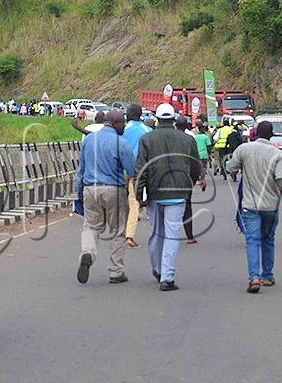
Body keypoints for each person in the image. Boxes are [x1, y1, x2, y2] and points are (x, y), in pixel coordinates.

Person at [135, 104, 203, 291]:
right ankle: (167, 277)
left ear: (156, 119)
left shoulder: (146, 139)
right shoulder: (186, 139)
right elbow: (196, 166)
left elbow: (141, 168)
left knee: (157, 233)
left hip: (154, 193)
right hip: (178, 192)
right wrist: (190, 183)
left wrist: (139, 195)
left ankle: (157, 269)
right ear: (173, 119)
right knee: (172, 235)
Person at [226, 120, 282, 294]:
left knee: (252, 240)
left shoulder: (244, 150)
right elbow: (280, 180)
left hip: (250, 205)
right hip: (271, 206)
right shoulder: (277, 154)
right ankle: (268, 275)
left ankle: (254, 277)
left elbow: (229, 167)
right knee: (268, 239)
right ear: (271, 135)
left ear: (256, 133)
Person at [74, 110, 136, 284]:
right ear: (115, 123)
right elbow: (131, 170)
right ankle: (116, 271)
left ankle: (88, 253)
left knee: (90, 227)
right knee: (118, 230)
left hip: (90, 188)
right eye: (123, 123)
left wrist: (79, 193)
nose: (124, 126)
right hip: (113, 190)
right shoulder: (121, 143)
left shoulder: (89, 140)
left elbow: (81, 170)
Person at [120, 105, 151, 250]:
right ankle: (129, 235)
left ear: (129, 114)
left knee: (118, 202)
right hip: (137, 171)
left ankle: (117, 231)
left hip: (120, 170)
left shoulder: (122, 129)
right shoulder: (147, 130)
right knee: (134, 203)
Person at [174, 117, 203, 245]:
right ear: (186, 126)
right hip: (185, 178)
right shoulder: (189, 139)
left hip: (168, 176)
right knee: (187, 207)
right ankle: (189, 236)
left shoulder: (169, 138)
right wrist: (196, 178)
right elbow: (195, 161)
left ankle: (169, 234)